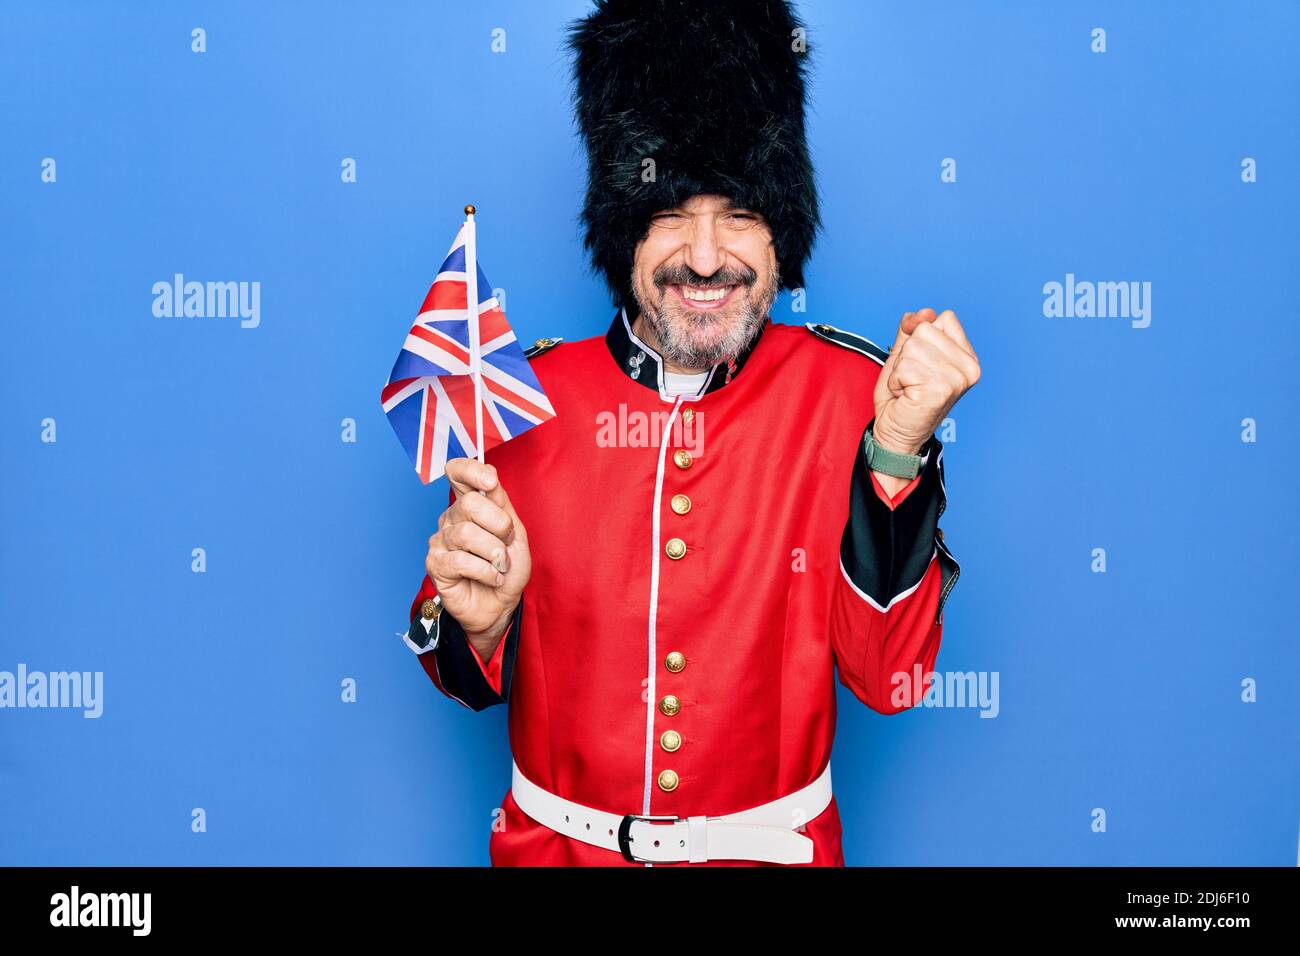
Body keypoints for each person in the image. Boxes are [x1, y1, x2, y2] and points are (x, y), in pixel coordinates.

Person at [400, 0, 980, 866]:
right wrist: (479, 629)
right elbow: (456, 667)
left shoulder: (854, 393)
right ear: (623, 229)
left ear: (782, 229)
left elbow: (888, 679)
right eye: (672, 213)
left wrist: (896, 448)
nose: (705, 258)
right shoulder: (524, 397)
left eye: (739, 212)